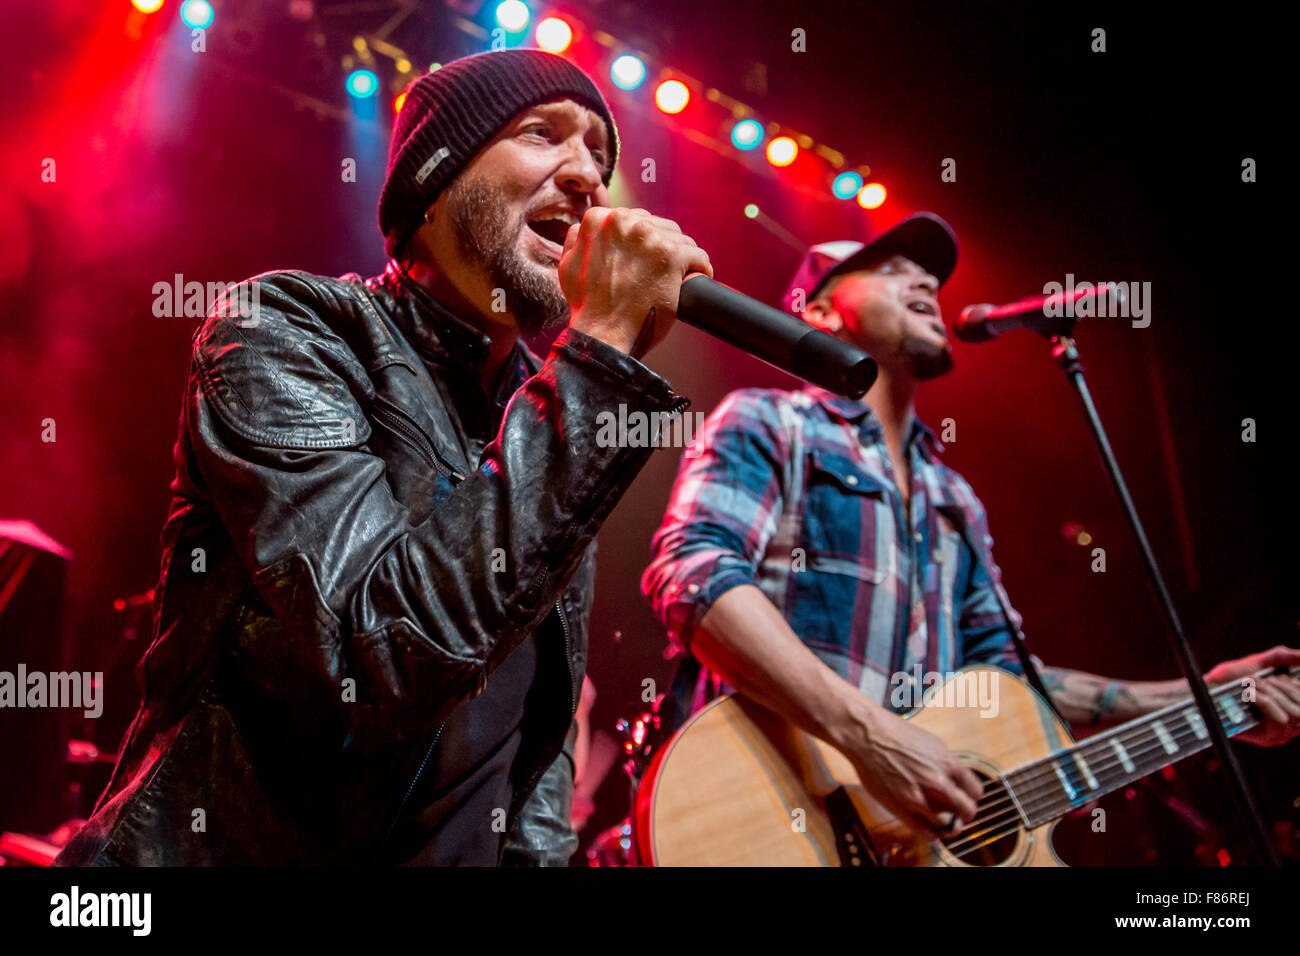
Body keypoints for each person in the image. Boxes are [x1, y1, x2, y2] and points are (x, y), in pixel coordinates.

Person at [55, 48, 711, 866]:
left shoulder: (545, 411)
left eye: (601, 156)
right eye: (543, 134)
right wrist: (601, 358)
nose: (588, 177)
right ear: (431, 183)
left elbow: (531, 756)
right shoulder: (287, 330)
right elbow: (382, 654)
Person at [641, 212, 1300, 840]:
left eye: (928, 276)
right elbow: (693, 571)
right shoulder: (770, 422)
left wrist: (1202, 696)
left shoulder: (954, 499)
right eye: (891, 269)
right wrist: (873, 737)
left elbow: (1013, 682)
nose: (925, 282)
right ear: (819, 311)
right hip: (762, 821)